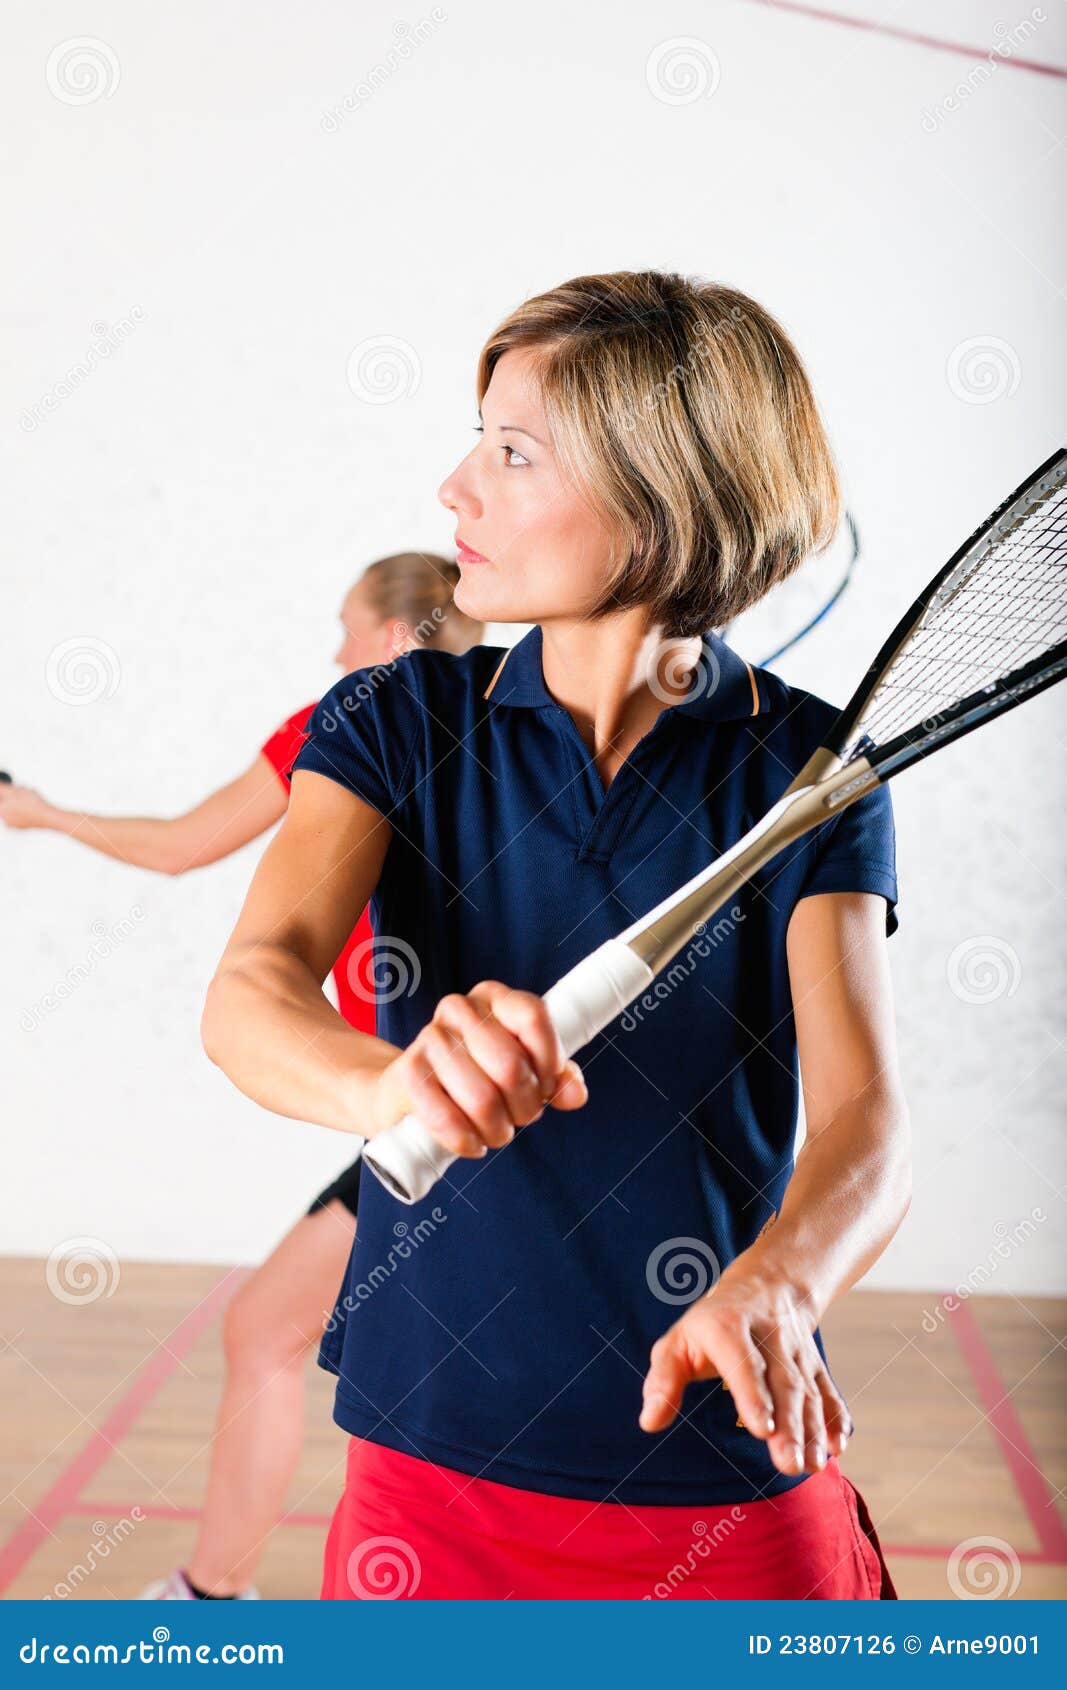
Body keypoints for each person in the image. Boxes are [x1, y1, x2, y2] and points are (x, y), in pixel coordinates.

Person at [201, 271, 911, 1601]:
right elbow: (250, 990)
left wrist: (781, 1277)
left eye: (511, 451)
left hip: (719, 1477)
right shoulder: (395, 722)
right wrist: (387, 1080)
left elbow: (867, 1121)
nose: (452, 487)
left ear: (660, 495)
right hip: (429, 1469)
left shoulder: (808, 773)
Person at [1, 553, 483, 1599]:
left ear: (396, 639)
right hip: (448, 1109)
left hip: (452, 1125)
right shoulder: (515, 730)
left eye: (347, 626)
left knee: (283, 1337)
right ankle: (214, 1597)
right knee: (281, 1332)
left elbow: (183, 846)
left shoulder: (349, 718)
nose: (333, 649)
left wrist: (41, 813)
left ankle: (213, 1604)